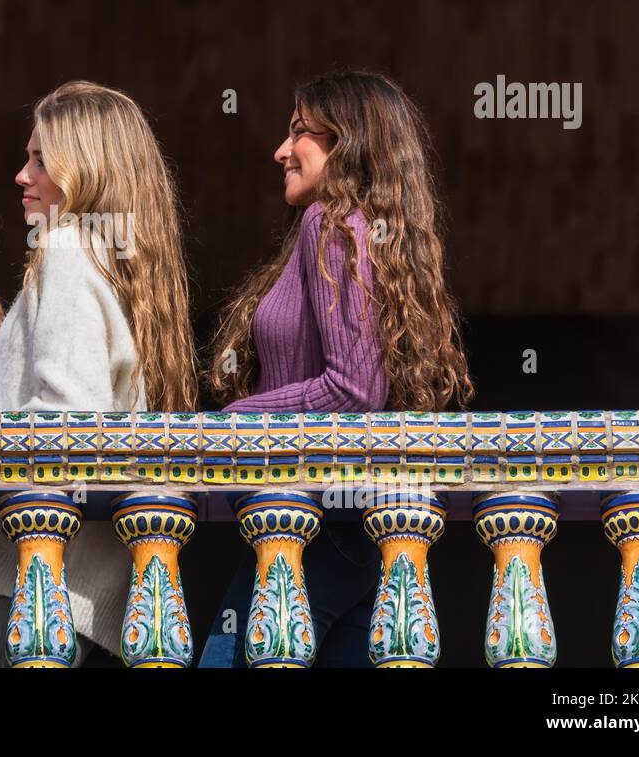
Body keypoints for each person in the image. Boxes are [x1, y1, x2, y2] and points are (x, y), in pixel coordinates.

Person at [199, 69, 474, 667]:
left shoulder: (331, 227)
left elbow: (353, 390)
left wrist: (232, 421)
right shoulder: (353, 231)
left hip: (312, 530)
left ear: (345, 142)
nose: (280, 150)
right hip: (351, 531)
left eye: (299, 131)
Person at [0, 80, 198, 666]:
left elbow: (63, 421)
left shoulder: (67, 251)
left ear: (86, 170)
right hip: (87, 588)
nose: (22, 176)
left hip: (42, 581)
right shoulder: (116, 264)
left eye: (41, 160)